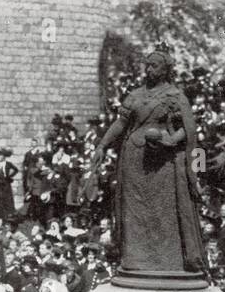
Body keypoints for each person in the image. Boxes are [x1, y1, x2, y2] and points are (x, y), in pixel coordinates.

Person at [86, 48, 207, 279]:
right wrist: (102, 145)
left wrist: (172, 140)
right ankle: (135, 259)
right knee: (135, 210)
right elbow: (120, 123)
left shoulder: (175, 96)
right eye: (147, 65)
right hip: (133, 159)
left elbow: (188, 130)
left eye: (155, 66)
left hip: (162, 161)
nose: (149, 70)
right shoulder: (135, 95)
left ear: (166, 70)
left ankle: (168, 260)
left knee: (162, 211)